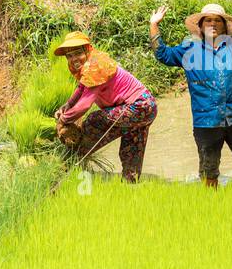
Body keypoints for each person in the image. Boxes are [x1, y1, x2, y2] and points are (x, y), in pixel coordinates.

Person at [149, 1, 232, 188]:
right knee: (209, 170)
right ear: (200, 26)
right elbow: (163, 55)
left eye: (217, 21)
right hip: (206, 121)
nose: (212, 24)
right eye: (207, 20)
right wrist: (154, 24)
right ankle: (210, 204)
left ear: (225, 26)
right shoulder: (189, 50)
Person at [53, 32, 157, 183]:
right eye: (69, 56)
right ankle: (131, 187)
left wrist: (63, 120)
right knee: (132, 147)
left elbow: (85, 104)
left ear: (87, 50)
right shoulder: (90, 65)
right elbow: (81, 89)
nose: (73, 59)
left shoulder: (96, 66)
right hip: (144, 107)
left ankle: (73, 158)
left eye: (78, 53)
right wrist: (67, 105)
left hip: (138, 106)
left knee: (93, 119)